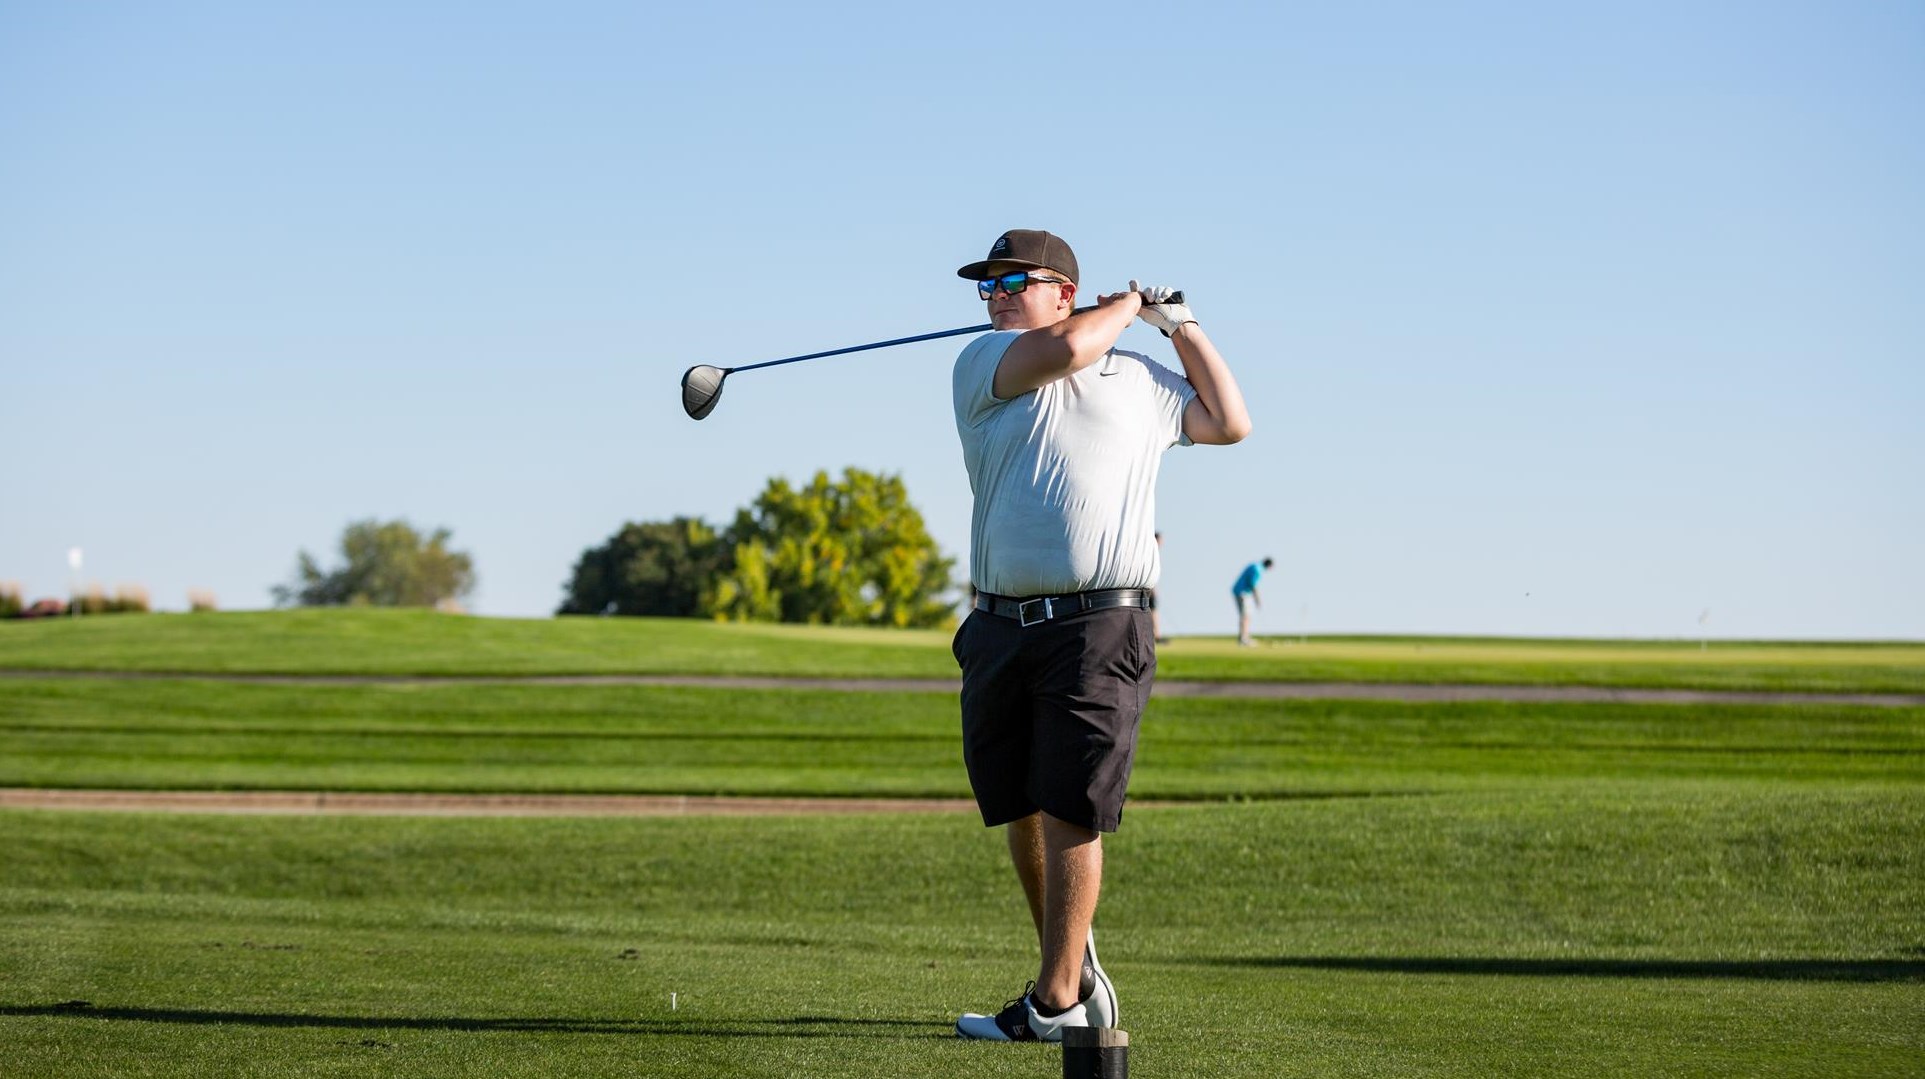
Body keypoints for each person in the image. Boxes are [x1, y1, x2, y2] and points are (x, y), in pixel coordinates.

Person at [948, 229, 1251, 1042]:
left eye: (1013, 281)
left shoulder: (1138, 379)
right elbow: (1069, 347)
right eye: (987, 285)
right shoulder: (985, 361)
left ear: (1062, 290)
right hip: (997, 622)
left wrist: (1181, 327)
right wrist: (1125, 304)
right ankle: (1072, 970)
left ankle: (1054, 1002)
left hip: (1099, 622)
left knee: (1069, 803)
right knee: (1017, 803)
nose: (995, 296)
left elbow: (1229, 421)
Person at [1232, 556, 1274, 646]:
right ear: (1269, 565)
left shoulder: (1254, 565)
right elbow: (1253, 585)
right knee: (1246, 616)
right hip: (1242, 593)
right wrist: (1257, 600)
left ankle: (1243, 638)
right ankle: (1244, 639)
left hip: (1240, 592)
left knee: (1245, 615)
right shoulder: (1257, 570)